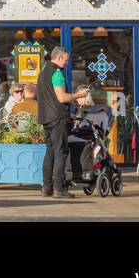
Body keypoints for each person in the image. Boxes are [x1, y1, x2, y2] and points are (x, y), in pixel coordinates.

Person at [36, 46, 90, 198]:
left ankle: (46, 187)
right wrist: (78, 95)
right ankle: (59, 189)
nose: (67, 63)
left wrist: (68, 113)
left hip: (46, 118)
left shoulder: (43, 72)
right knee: (61, 153)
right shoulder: (57, 73)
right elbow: (61, 98)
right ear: (58, 58)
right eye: (66, 60)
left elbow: (50, 98)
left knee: (50, 151)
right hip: (57, 119)